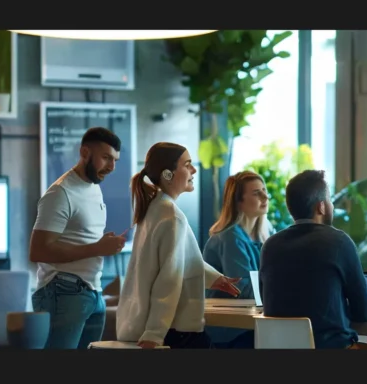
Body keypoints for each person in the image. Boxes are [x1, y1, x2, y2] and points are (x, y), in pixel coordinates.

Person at [115, 142, 241, 349]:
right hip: (175, 332)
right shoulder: (172, 216)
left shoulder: (155, 209)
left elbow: (180, 261)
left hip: (153, 327)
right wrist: (154, 334)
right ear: (167, 174)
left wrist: (214, 278)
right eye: (187, 165)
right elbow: (169, 278)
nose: (194, 170)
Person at [29, 127, 127, 350]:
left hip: (93, 290)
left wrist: (103, 244)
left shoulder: (93, 187)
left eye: (115, 160)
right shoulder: (60, 193)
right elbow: (38, 251)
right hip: (64, 291)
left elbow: (80, 238)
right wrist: (97, 248)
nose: (112, 167)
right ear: (84, 153)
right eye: (106, 158)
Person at [259, 170, 367, 349]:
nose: (332, 206)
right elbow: (364, 313)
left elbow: (267, 301)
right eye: (329, 199)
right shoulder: (338, 242)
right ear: (321, 207)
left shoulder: (270, 246)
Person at [202, 170, 272, 348]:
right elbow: (244, 289)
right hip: (231, 331)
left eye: (264, 190)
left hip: (251, 323)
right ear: (238, 201)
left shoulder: (265, 235)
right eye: (256, 193)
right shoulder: (231, 238)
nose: (265, 197)